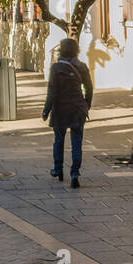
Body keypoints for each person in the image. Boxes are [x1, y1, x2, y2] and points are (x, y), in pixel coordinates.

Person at [42, 38, 93, 187]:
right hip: (77, 109)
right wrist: (86, 105)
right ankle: (75, 173)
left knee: (59, 140)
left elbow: (51, 91)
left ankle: (58, 169)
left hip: (60, 109)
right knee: (77, 142)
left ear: (61, 50)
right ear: (76, 51)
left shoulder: (56, 68)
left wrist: (46, 110)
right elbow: (89, 89)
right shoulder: (82, 67)